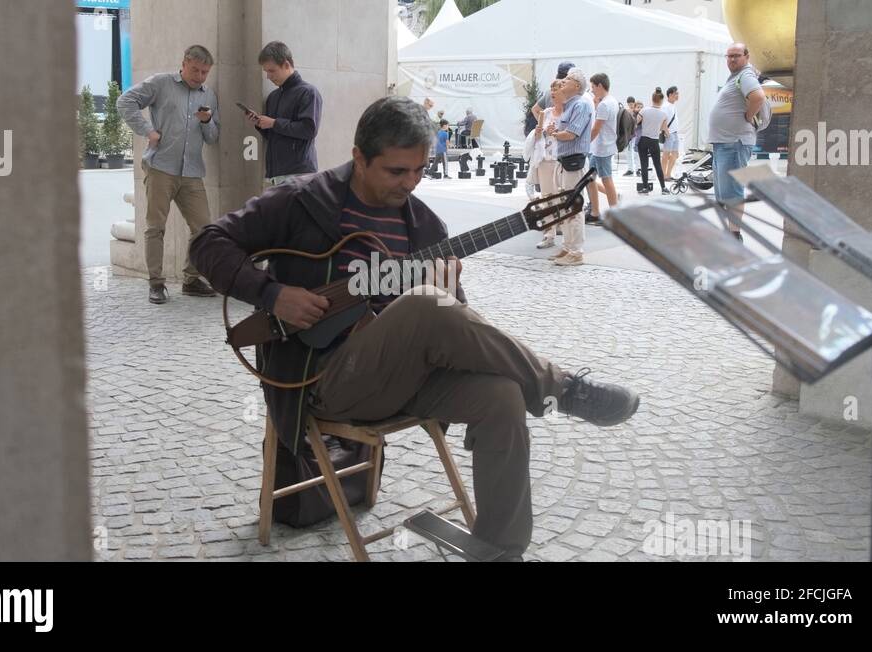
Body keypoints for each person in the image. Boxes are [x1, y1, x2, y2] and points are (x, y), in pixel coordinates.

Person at [189, 96, 640, 560]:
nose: (410, 183)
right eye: (396, 171)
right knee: (425, 303)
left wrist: (452, 292)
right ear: (359, 157)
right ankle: (564, 389)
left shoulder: (423, 225)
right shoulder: (303, 200)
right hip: (321, 379)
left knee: (502, 396)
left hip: (401, 379)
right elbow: (206, 244)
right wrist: (273, 294)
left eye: (420, 170)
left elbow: (452, 327)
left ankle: (501, 549)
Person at [117, 44, 220, 304]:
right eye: (195, 70)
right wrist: (147, 130)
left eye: (204, 72)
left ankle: (191, 279)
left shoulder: (209, 96)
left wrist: (207, 122)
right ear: (184, 63)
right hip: (161, 167)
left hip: (192, 172)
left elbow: (213, 137)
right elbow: (125, 101)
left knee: (203, 228)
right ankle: (156, 283)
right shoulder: (161, 84)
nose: (199, 77)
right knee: (155, 227)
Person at [708, 43, 765, 242]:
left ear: (747, 57)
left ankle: (734, 235)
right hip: (725, 143)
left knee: (732, 191)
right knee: (725, 192)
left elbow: (757, 97)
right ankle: (730, 231)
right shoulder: (736, 77)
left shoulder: (745, 75)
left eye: (736, 56)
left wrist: (749, 116)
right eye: (729, 56)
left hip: (734, 142)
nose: (732, 59)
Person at [245, 41, 323, 188]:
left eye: (272, 71)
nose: (268, 76)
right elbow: (274, 135)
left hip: (300, 174)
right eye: (266, 71)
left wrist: (274, 123)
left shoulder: (308, 92)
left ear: (286, 65)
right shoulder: (273, 97)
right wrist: (260, 124)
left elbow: (309, 130)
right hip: (275, 175)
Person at [550, 69, 594, 266]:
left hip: (574, 161)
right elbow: (564, 132)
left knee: (574, 207)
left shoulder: (582, 105)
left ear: (576, 85)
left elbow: (571, 134)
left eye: (567, 79)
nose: (563, 81)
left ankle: (576, 252)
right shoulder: (570, 105)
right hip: (566, 161)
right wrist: (556, 132)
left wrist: (555, 134)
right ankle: (568, 247)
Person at [534, 79, 567, 250]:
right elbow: (537, 138)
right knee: (546, 197)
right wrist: (541, 133)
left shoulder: (570, 112)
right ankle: (548, 234)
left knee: (562, 196)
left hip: (562, 159)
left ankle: (567, 236)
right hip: (546, 159)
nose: (553, 93)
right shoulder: (545, 113)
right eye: (552, 90)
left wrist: (558, 132)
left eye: (557, 89)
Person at [586, 73, 620, 226]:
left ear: (600, 86)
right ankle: (595, 211)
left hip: (602, 148)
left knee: (606, 180)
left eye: (593, 87)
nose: (592, 90)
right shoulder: (611, 101)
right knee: (589, 178)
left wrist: (585, 144)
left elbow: (596, 129)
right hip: (602, 147)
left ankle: (615, 216)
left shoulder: (605, 105)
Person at [636, 88, 670, 195]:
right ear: (661, 100)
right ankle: (663, 188)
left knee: (644, 164)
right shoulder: (663, 114)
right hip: (654, 141)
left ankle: (645, 188)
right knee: (657, 165)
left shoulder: (644, 110)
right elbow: (665, 130)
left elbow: (635, 123)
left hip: (644, 139)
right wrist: (668, 136)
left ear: (652, 99)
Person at [661, 86, 681, 180]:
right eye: (676, 93)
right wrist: (666, 131)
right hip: (669, 133)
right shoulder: (665, 106)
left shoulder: (673, 105)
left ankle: (668, 174)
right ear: (670, 94)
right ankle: (663, 175)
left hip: (675, 133)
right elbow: (662, 120)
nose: (677, 95)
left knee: (675, 154)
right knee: (666, 154)